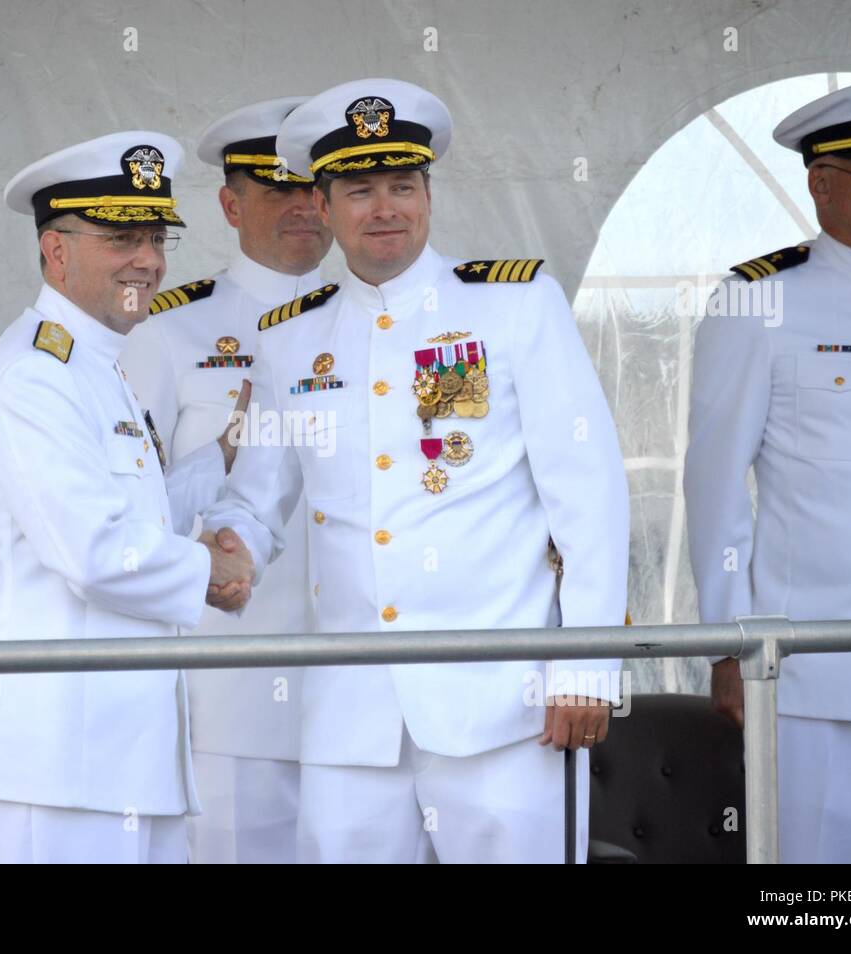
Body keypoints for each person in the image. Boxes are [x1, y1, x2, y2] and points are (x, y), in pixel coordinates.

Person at [200, 79, 630, 863]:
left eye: (402, 185)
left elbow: (588, 491)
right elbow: (259, 499)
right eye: (360, 190)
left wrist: (588, 665)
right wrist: (223, 554)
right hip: (350, 716)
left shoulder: (513, 303)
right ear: (324, 208)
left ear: (428, 195)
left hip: (506, 708)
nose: (385, 208)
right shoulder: (292, 337)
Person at [0, 131, 253, 864]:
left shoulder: (95, 364)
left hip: (121, 752)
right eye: (122, 237)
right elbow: (91, 551)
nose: (147, 261)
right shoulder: (34, 377)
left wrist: (215, 460)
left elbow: (131, 517)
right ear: (56, 251)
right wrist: (211, 571)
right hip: (58, 762)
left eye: (156, 238)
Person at [687, 79, 851, 863]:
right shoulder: (759, 303)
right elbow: (716, 488)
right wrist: (730, 648)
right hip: (815, 677)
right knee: (816, 904)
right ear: (820, 183)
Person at [120, 97, 333, 864]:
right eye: (280, 189)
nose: (306, 208)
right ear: (231, 204)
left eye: (317, 188)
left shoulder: (368, 322)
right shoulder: (165, 327)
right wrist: (225, 460)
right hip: (236, 680)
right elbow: (130, 510)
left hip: (364, 676)